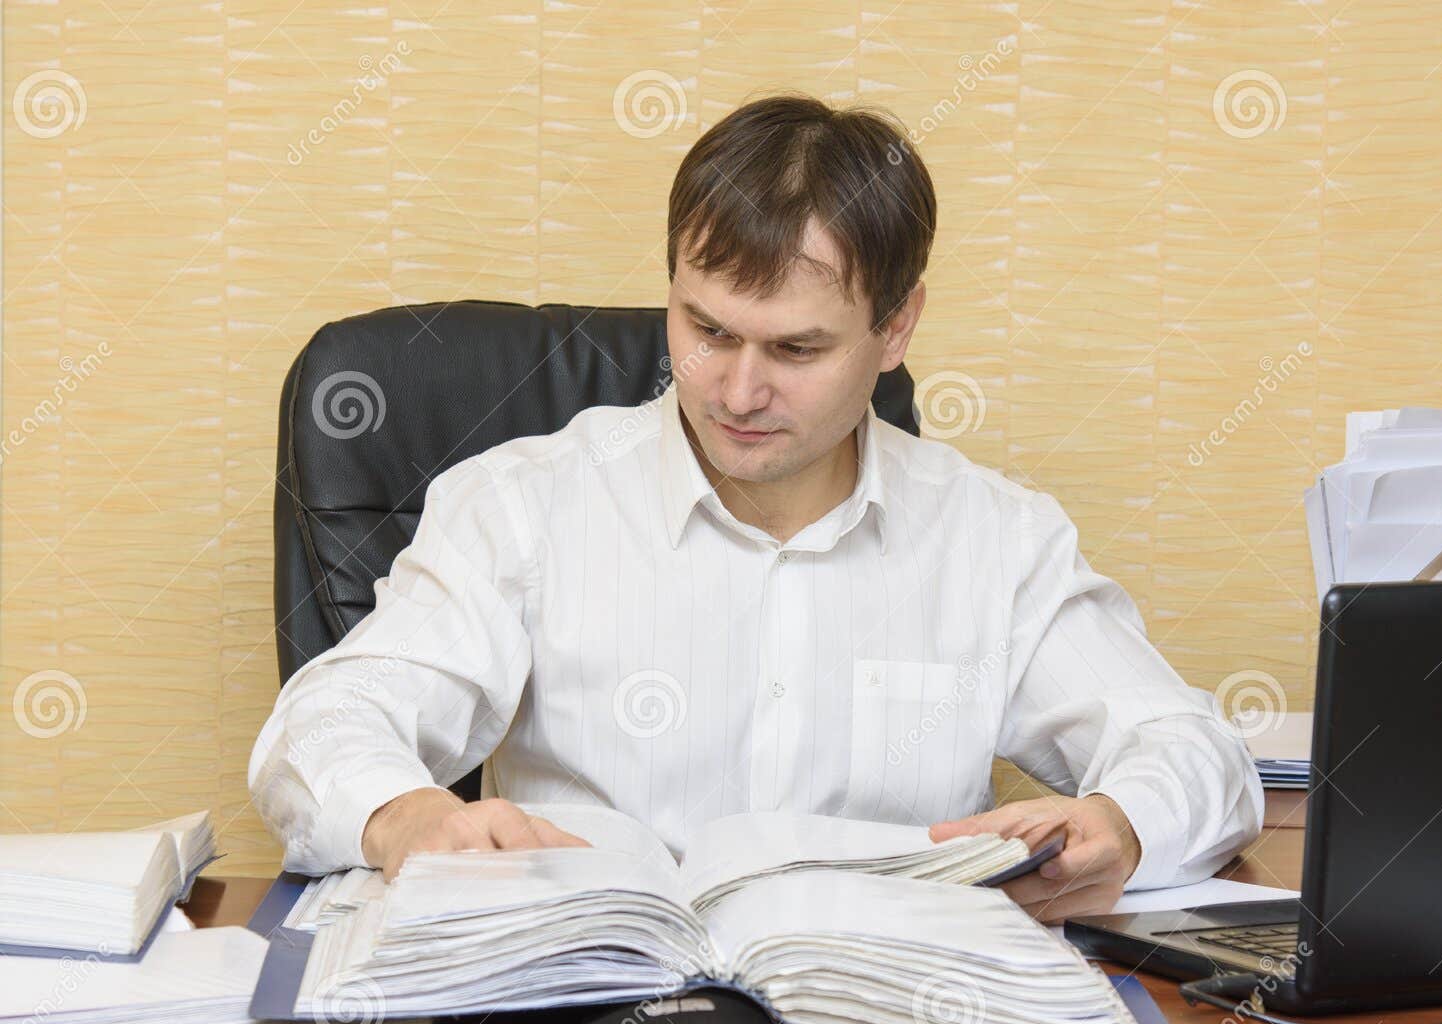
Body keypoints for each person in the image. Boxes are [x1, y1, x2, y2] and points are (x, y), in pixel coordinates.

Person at [249, 91, 1263, 924]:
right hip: (585, 1021)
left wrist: (1122, 822)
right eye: (706, 329)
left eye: (796, 349)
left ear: (895, 325)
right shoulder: (523, 504)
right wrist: (403, 814)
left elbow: (1192, 750)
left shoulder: (995, 536)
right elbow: (327, 718)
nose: (736, 390)